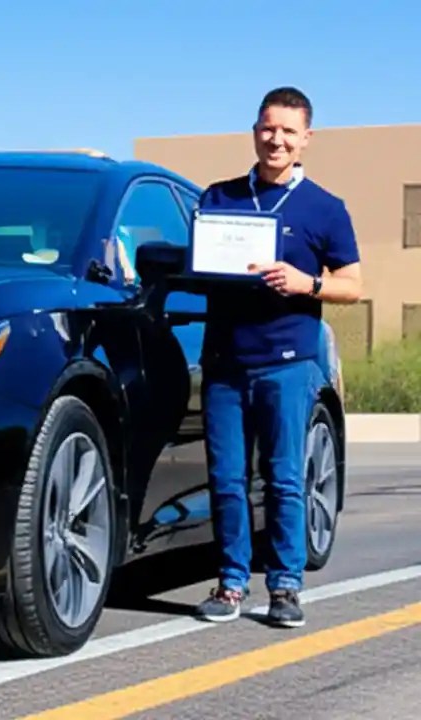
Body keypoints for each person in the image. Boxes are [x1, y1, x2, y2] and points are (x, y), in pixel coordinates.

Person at [193, 86, 362, 627]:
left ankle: (285, 587)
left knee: (286, 477)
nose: (277, 139)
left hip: (287, 364)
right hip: (224, 364)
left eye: (289, 131)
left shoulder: (326, 208)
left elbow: (353, 285)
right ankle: (231, 583)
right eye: (269, 128)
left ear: (306, 139)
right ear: (254, 131)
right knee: (226, 479)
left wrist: (305, 282)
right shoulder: (218, 198)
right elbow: (196, 267)